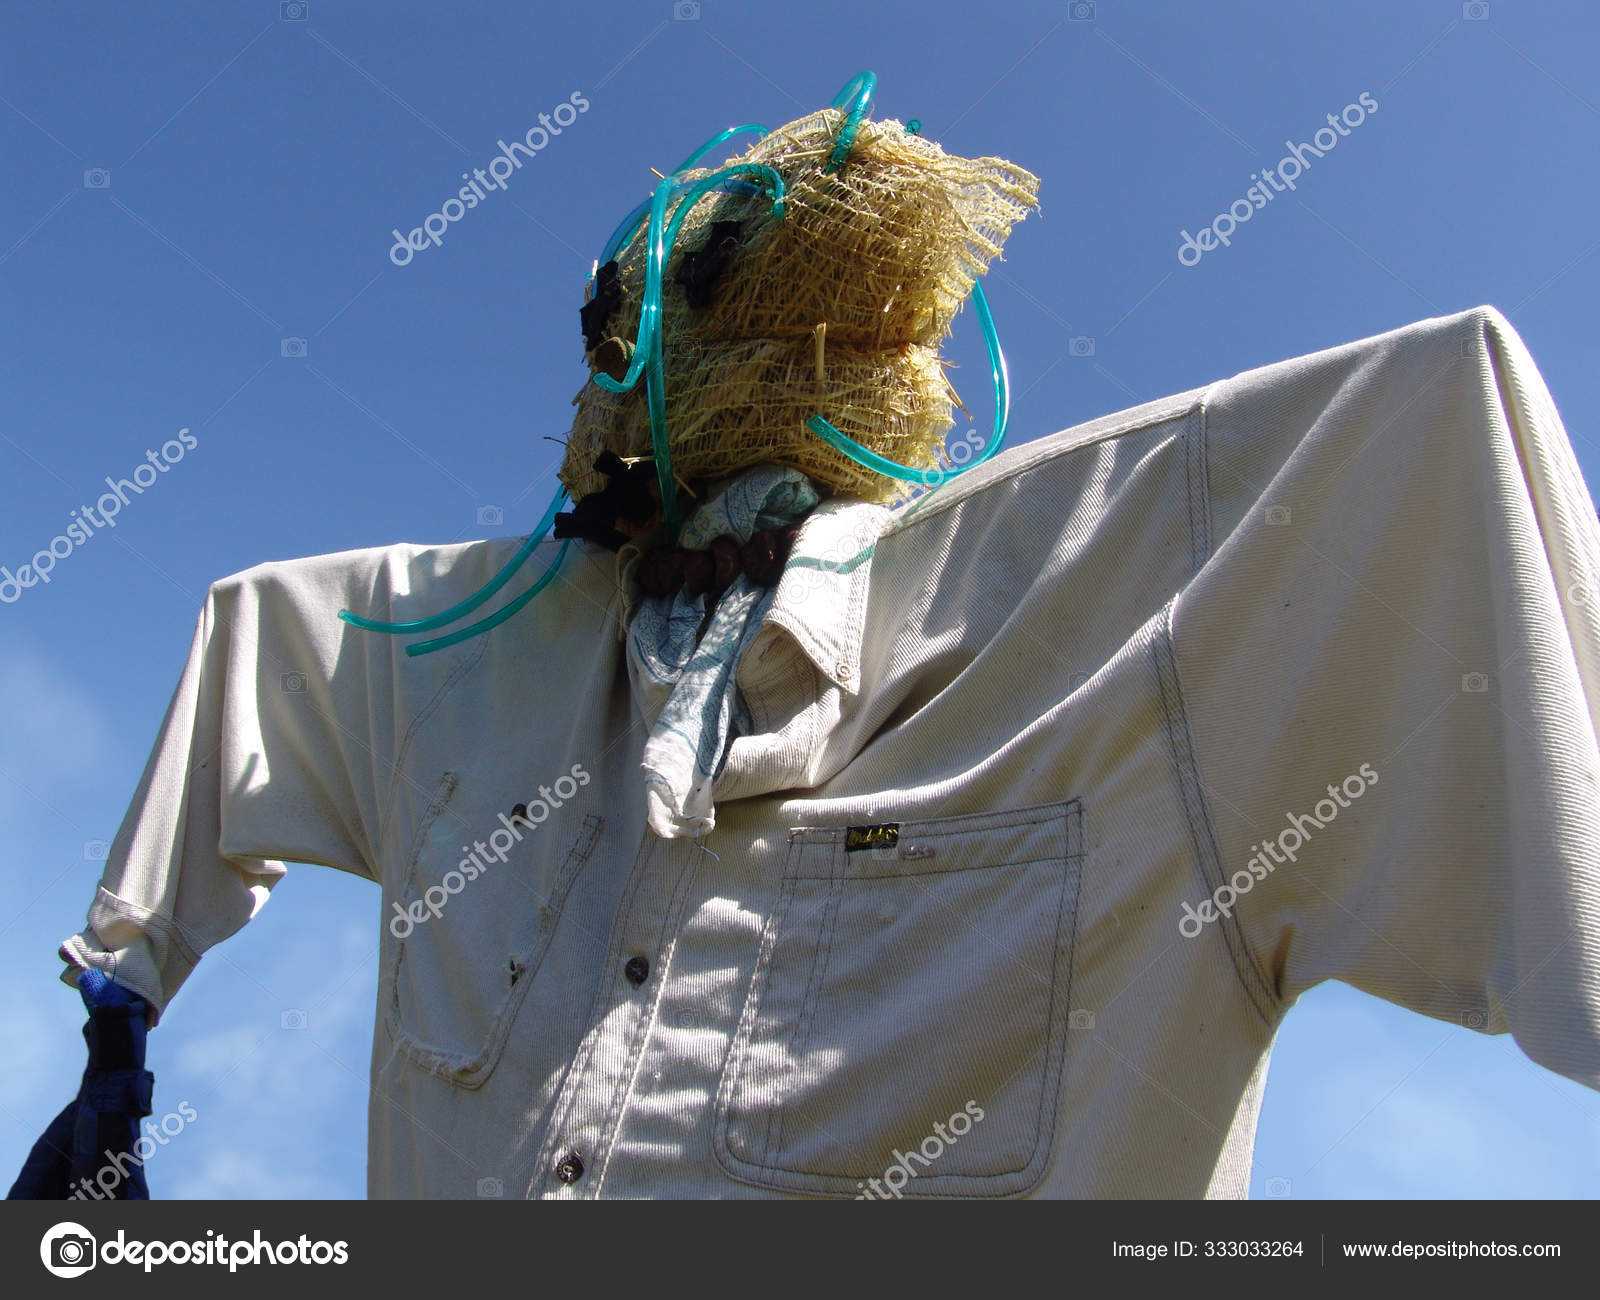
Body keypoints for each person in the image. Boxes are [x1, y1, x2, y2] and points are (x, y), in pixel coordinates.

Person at [27, 78, 1600, 1200]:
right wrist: (126, 1001)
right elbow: (259, 632)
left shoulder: (1180, 569)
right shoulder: (451, 642)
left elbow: (1441, 417)